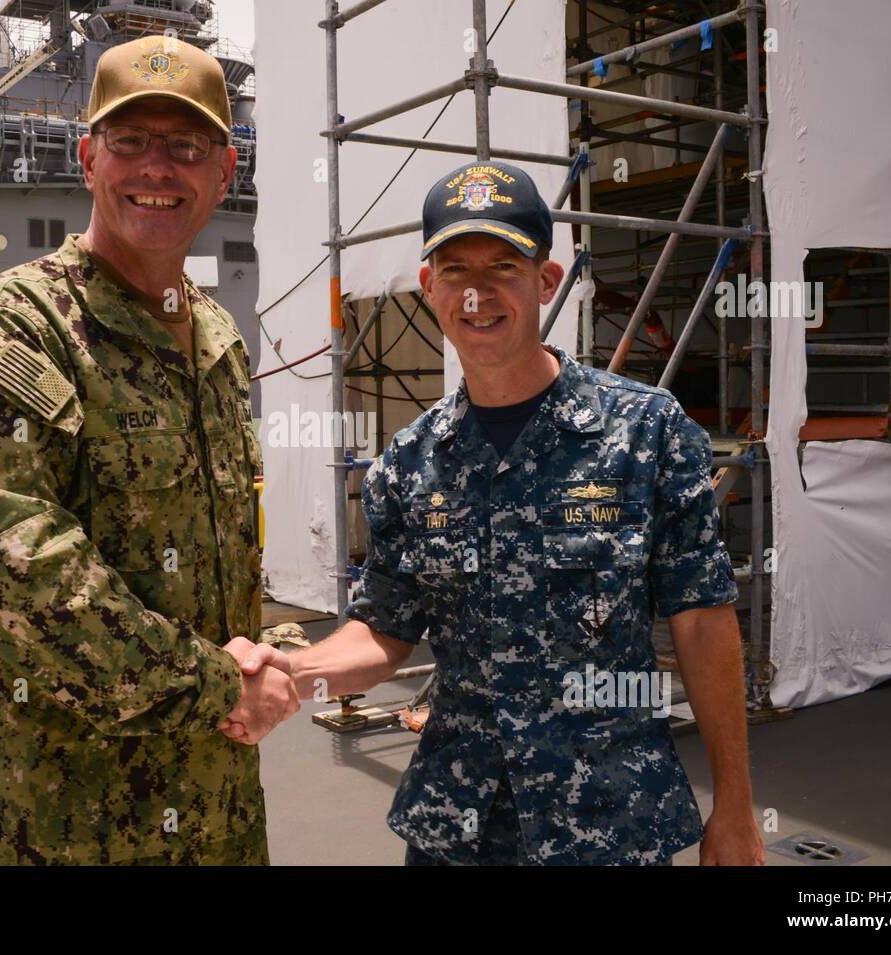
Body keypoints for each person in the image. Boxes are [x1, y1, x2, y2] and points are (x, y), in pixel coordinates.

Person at [229, 160, 764, 866]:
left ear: (546, 280)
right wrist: (288, 671)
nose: (477, 292)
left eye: (503, 265)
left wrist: (734, 803)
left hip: (610, 826)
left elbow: (702, 621)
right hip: (460, 829)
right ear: (429, 288)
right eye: (454, 270)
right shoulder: (409, 464)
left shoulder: (646, 432)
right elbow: (385, 630)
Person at [0, 35, 297, 866]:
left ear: (225, 171)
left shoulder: (218, 339)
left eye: (185, 147)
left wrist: (276, 661)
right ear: (88, 157)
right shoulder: (15, 329)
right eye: (130, 142)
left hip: (218, 821)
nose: (157, 169)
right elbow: (10, 571)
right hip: (56, 830)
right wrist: (221, 685)